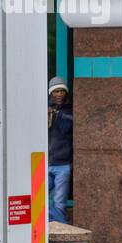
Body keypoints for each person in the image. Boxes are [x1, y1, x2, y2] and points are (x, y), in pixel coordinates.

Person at [47, 77, 73, 224]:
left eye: (62, 91)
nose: (59, 94)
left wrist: (58, 115)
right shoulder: (44, 109)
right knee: (37, 199)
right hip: (45, 162)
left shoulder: (70, 110)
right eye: (56, 91)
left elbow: (68, 128)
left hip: (63, 164)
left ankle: (61, 227)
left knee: (60, 202)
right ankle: (57, 223)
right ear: (51, 93)